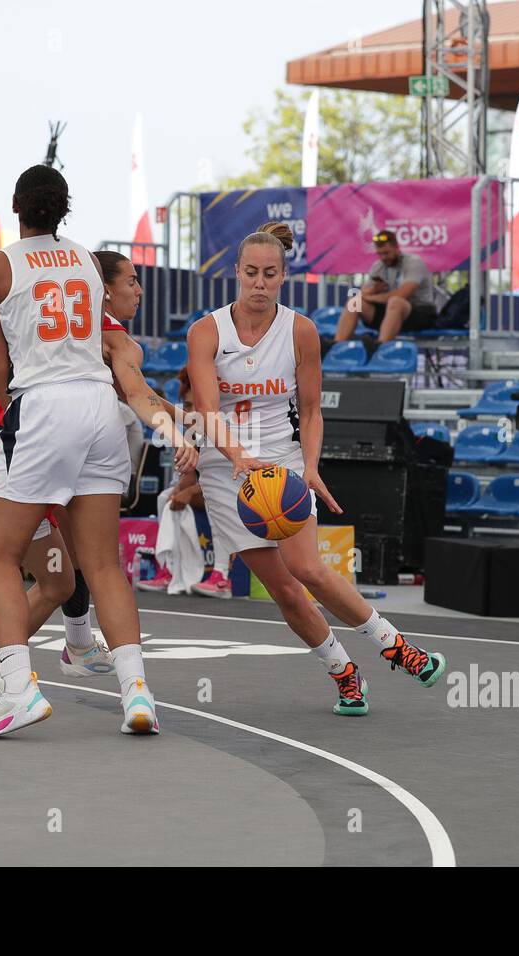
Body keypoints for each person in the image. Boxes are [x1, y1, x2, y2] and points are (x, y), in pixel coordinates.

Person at [188, 221, 448, 717]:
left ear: (283, 276)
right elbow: (206, 411)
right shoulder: (207, 331)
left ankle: (397, 648)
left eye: (269, 273)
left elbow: (310, 411)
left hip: (281, 460)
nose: (259, 283)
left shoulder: (300, 329)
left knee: (307, 568)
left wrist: (310, 465)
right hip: (227, 468)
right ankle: (344, 673)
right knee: (284, 591)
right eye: (250, 273)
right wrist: (238, 457)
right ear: (236, 274)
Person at [0, 164, 181, 737]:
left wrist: (5, 403)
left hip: (42, 406)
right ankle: (137, 693)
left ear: (17, 205)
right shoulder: (89, 260)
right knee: (103, 563)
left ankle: (17, 688)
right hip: (98, 405)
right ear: (66, 210)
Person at [0, 249, 195, 678]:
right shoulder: (105, 337)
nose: (139, 290)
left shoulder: (75, 326)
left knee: (67, 570)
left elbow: (138, 394)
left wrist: (196, 424)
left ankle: (70, 645)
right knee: (58, 565)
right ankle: (29, 662)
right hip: (8, 450)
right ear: (103, 290)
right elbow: (138, 393)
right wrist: (190, 429)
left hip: (30, 445)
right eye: (132, 281)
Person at [136, 366, 233, 597]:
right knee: (165, 497)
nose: (189, 413)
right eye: (186, 406)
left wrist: (189, 493)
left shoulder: (226, 429)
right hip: (210, 490)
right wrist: (181, 490)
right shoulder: (194, 434)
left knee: (216, 500)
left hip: (238, 493)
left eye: (193, 407)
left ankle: (221, 577)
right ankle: (170, 570)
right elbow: (187, 478)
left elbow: (227, 479)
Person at [334, 230, 449, 344]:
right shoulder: (379, 266)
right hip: (391, 313)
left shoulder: (413, 262)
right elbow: (362, 293)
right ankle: (336, 345)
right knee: (354, 302)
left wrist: (371, 297)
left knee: (396, 301)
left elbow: (402, 294)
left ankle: (379, 346)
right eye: (380, 254)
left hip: (421, 313)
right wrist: (373, 291)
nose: (383, 257)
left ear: (397, 248)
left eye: (386, 253)